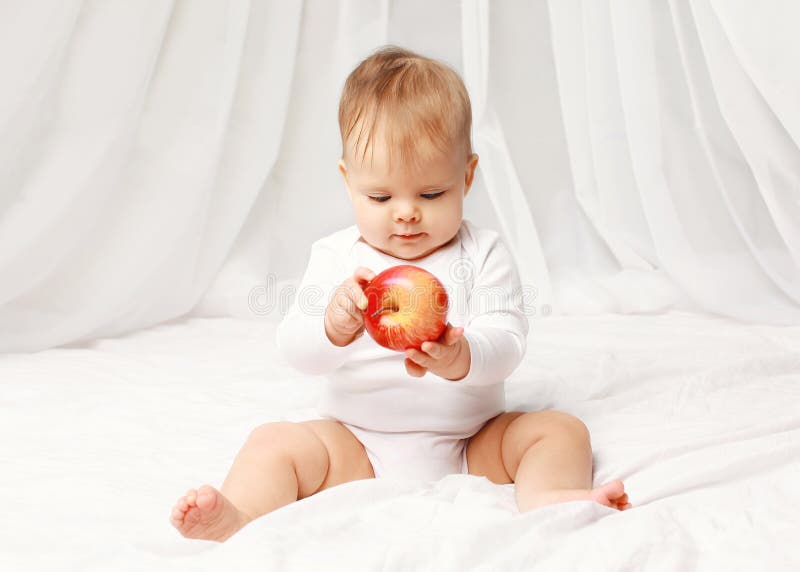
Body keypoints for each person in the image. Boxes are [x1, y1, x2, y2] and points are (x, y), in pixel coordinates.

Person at [170, 45, 631, 542]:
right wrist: (333, 326)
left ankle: (545, 497)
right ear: (349, 184)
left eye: (431, 194)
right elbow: (296, 352)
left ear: (467, 177)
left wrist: (462, 355)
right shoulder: (337, 257)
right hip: (356, 445)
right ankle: (240, 515)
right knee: (273, 441)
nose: (406, 212)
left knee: (560, 430)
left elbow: (508, 342)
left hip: (471, 442)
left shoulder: (483, 253)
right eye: (381, 197)